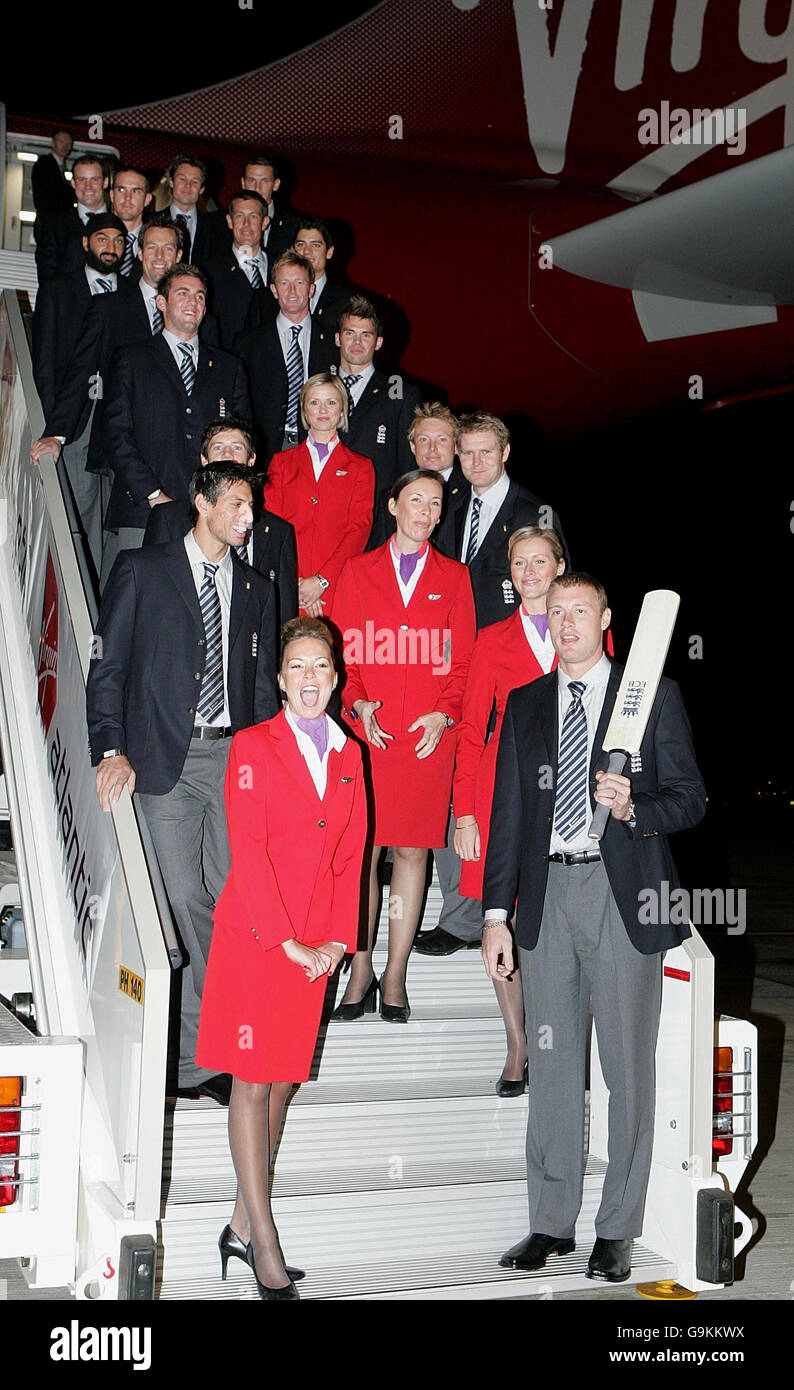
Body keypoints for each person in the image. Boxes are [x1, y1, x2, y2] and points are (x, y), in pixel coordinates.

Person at [482, 572, 706, 1282]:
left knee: (625, 1068)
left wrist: (636, 805)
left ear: (606, 618)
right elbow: (508, 814)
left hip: (622, 896)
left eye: (579, 610)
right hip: (547, 896)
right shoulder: (525, 705)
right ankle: (550, 1221)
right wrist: (495, 913)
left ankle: (617, 1228)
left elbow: (691, 798)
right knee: (552, 1067)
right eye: (556, 612)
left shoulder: (650, 696)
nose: (566, 622)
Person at [87, 463, 280, 1106]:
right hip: (164, 761)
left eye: (251, 505)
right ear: (201, 503)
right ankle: (201, 1046)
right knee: (187, 899)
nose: (247, 517)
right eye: (236, 504)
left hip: (235, 761)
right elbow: (108, 666)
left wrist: (269, 767)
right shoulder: (143, 570)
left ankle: (204, 1061)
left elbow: (257, 691)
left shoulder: (255, 586)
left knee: (231, 904)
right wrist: (109, 747)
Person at [195, 615, 367, 1299]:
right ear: (279, 679)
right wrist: (288, 940)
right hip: (258, 939)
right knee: (255, 1081)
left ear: (336, 676)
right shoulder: (252, 747)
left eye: (320, 666)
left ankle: (240, 1221)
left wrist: (334, 942)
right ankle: (263, 1241)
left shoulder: (351, 755)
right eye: (296, 666)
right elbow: (250, 847)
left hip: (314, 948)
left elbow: (352, 854)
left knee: (286, 1080)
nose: (309, 679)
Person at [331, 469, 476, 1022]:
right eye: (415, 500)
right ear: (392, 505)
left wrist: (443, 714)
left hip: (425, 738)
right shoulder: (358, 570)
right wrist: (358, 704)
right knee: (362, 853)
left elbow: (462, 662)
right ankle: (361, 967)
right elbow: (343, 651)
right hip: (368, 734)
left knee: (413, 852)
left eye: (435, 504)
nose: (426, 511)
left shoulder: (455, 577)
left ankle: (395, 974)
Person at [452, 526, 566, 1096]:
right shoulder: (492, 639)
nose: (529, 572)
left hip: (569, 795)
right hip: (506, 796)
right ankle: (518, 1043)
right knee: (503, 920)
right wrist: (464, 812)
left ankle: (559, 1042)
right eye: (519, 564)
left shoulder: (589, 629)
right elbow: (472, 730)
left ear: (559, 566)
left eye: (539, 561)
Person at [101, 263, 251, 579]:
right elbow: (115, 434)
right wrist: (154, 494)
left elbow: (241, 441)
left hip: (208, 515)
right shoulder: (131, 358)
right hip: (141, 510)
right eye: (182, 293)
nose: (192, 302)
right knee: (128, 607)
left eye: (199, 296)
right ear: (161, 302)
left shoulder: (228, 367)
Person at [31, 212, 129, 572]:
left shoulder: (132, 293)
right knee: (79, 512)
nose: (111, 248)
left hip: (118, 419)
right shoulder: (59, 290)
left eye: (119, 241)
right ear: (86, 243)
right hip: (75, 422)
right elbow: (45, 360)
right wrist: (51, 425)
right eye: (102, 239)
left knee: (112, 520)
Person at [144, 415, 298, 638]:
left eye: (237, 447)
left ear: (252, 458)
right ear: (204, 459)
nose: (227, 455)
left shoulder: (277, 531)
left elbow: (284, 615)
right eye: (218, 447)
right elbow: (149, 596)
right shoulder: (168, 518)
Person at [434, 411, 568, 629]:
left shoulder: (535, 513)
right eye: (468, 453)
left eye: (486, 451)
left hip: (511, 645)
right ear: (457, 453)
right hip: (455, 640)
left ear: (504, 452)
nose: (477, 462)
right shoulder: (448, 506)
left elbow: (562, 589)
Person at [263, 374, 373, 619]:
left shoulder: (360, 467)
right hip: (288, 587)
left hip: (336, 588)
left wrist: (321, 581)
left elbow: (359, 529)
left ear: (342, 409)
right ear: (304, 409)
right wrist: (297, 582)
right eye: (314, 402)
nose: (323, 410)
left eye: (331, 402)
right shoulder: (281, 463)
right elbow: (271, 527)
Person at [233, 252, 336, 458]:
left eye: (299, 282)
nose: (291, 290)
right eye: (284, 283)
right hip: (265, 449)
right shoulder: (248, 342)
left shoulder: (333, 341)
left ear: (311, 289)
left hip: (318, 445)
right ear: (273, 290)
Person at [335, 296, 421, 496]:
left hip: (376, 510)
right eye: (350, 333)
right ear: (338, 338)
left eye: (366, 335)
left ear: (378, 342)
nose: (357, 342)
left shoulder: (399, 393)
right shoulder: (317, 387)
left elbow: (408, 464)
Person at [367, 401, 462, 551]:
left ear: (456, 446)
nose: (432, 448)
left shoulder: (471, 495)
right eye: (423, 439)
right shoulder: (390, 496)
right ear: (412, 446)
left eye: (442, 439)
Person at [204, 191, 273, 347]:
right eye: (239, 216)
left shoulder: (281, 269)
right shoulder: (209, 271)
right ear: (229, 221)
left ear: (265, 222)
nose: (246, 224)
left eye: (254, 216)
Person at [35, 153, 109, 284]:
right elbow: (47, 280)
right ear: (73, 183)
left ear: (105, 182)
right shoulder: (54, 226)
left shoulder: (119, 225)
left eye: (94, 179)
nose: (88, 186)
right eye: (82, 180)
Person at [294, 217, 351, 340]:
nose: (307, 251)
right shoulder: (271, 297)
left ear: (329, 252)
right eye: (300, 244)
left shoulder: (346, 302)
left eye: (315, 245)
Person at [109, 167, 153, 276]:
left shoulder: (156, 243)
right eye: (121, 190)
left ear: (147, 199)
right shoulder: (91, 240)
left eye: (136, 191)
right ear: (112, 195)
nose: (127, 197)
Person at [31, 128, 74, 236]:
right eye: (62, 142)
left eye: (69, 144)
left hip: (52, 224)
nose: (65, 146)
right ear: (53, 143)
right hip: (50, 224)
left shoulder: (60, 167)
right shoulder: (45, 163)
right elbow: (52, 196)